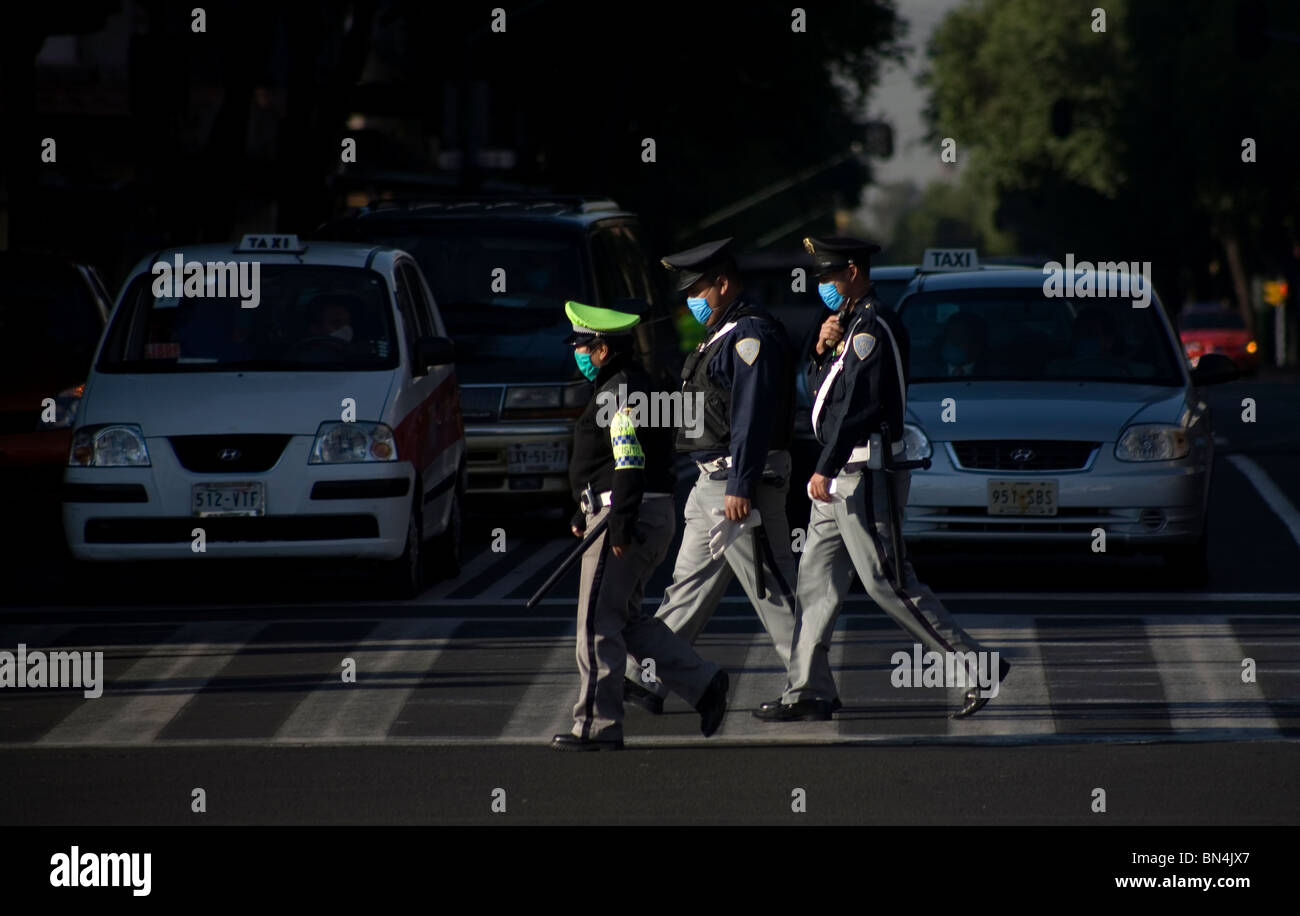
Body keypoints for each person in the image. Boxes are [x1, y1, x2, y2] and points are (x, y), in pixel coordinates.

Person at [754, 237, 1010, 721]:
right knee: (814, 582)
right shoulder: (846, 325)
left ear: (854, 271)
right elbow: (822, 392)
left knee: (885, 581)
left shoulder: (874, 325)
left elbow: (860, 406)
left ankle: (977, 667)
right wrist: (821, 347)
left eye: (830, 277)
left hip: (862, 471)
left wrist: (825, 465)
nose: (824, 286)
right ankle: (807, 689)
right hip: (839, 473)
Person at [621, 238, 801, 714]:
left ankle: (811, 686)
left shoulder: (750, 336)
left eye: (698, 289)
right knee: (687, 585)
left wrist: (741, 484)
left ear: (723, 283)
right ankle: (647, 679)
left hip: (741, 484)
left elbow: (751, 417)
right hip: (711, 482)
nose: (692, 300)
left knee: (771, 589)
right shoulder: (720, 335)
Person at [555, 300, 728, 750]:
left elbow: (629, 458)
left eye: (582, 345)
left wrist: (619, 521)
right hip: (635, 508)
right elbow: (615, 461)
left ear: (603, 349)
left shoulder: (619, 391)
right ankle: (704, 683)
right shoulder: (633, 384)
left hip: (625, 511)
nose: (576, 352)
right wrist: (585, 507)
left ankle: (597, 726)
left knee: (596, 625)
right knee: (626, 620)